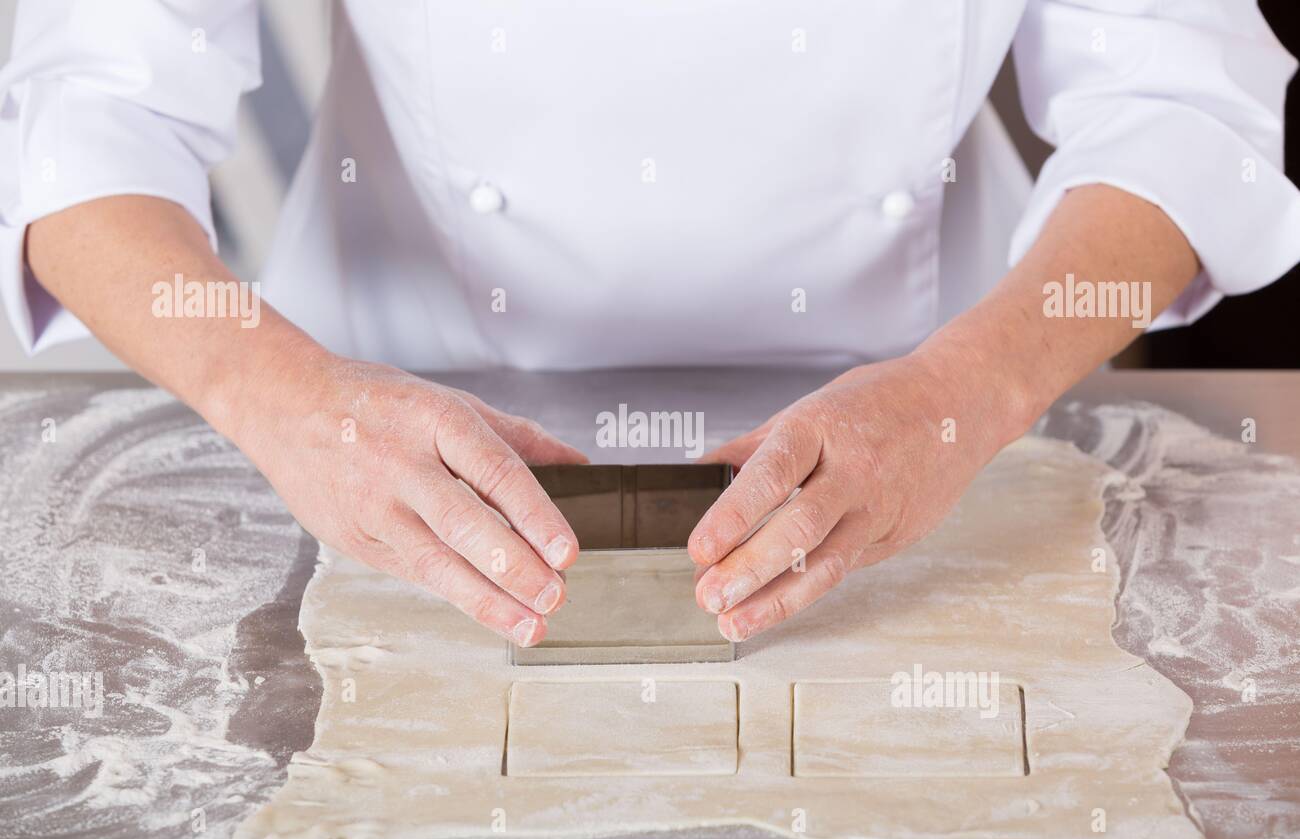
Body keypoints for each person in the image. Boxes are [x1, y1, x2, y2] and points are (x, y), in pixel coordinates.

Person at [3, 1, 1298, 649]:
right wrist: (284, 399)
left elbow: (1180, 99)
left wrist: (962, 393)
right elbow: (87, 107)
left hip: (944, 431)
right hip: (383, 410)